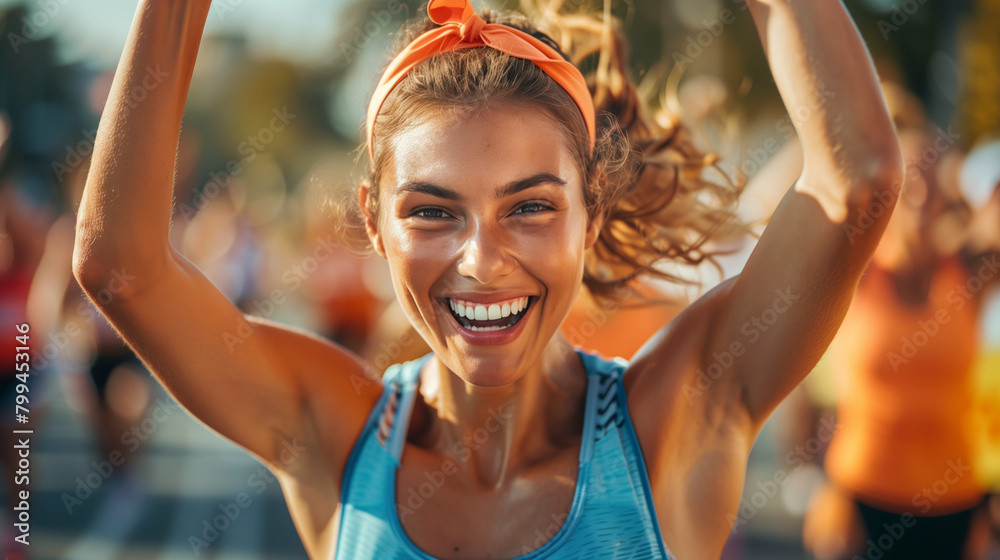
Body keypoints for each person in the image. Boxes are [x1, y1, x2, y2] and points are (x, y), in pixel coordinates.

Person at [71, 0, 904, 558]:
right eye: (433, 212)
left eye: (530, 207)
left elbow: (856, 180)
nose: (481, 259)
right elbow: (122, 268)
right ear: (373, 220)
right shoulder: (333, 433)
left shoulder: (675, 420)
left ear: (594, 206)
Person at [802, 84, 1000, 560]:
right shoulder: (854, 268)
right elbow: (790, 204)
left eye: (934, 173)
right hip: (861, 500)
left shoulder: (973, 270)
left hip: (956, 504)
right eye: (911, 173)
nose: (923, 187)